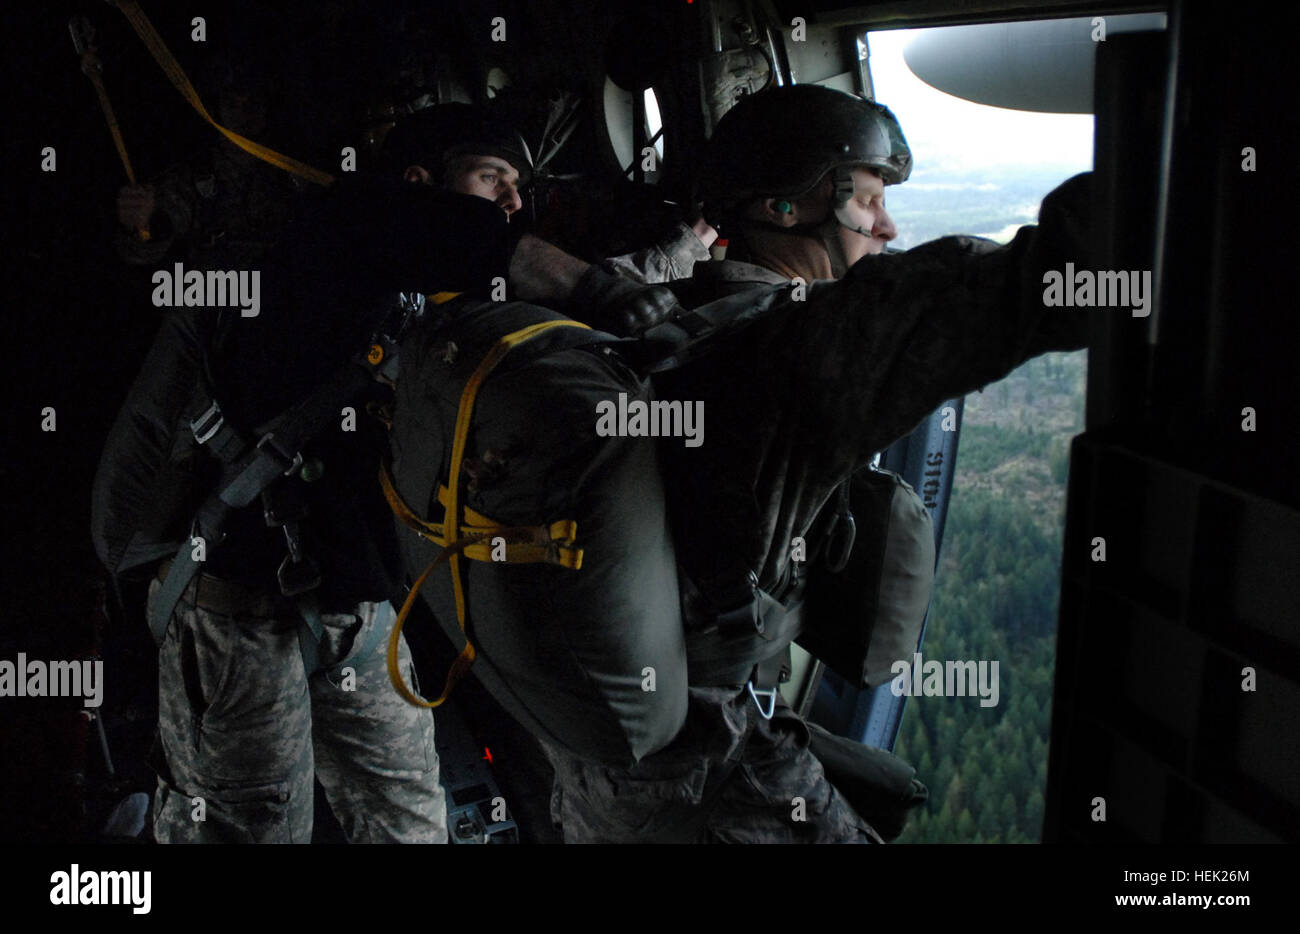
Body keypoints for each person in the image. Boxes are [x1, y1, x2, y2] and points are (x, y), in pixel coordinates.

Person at [542, 83, 1092, 842]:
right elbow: (1025, 290)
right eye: (867, 202)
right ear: (785, 208)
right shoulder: (790, 351)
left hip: (599, 757)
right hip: (703, 767)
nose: (888, 226)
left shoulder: (663, 315)